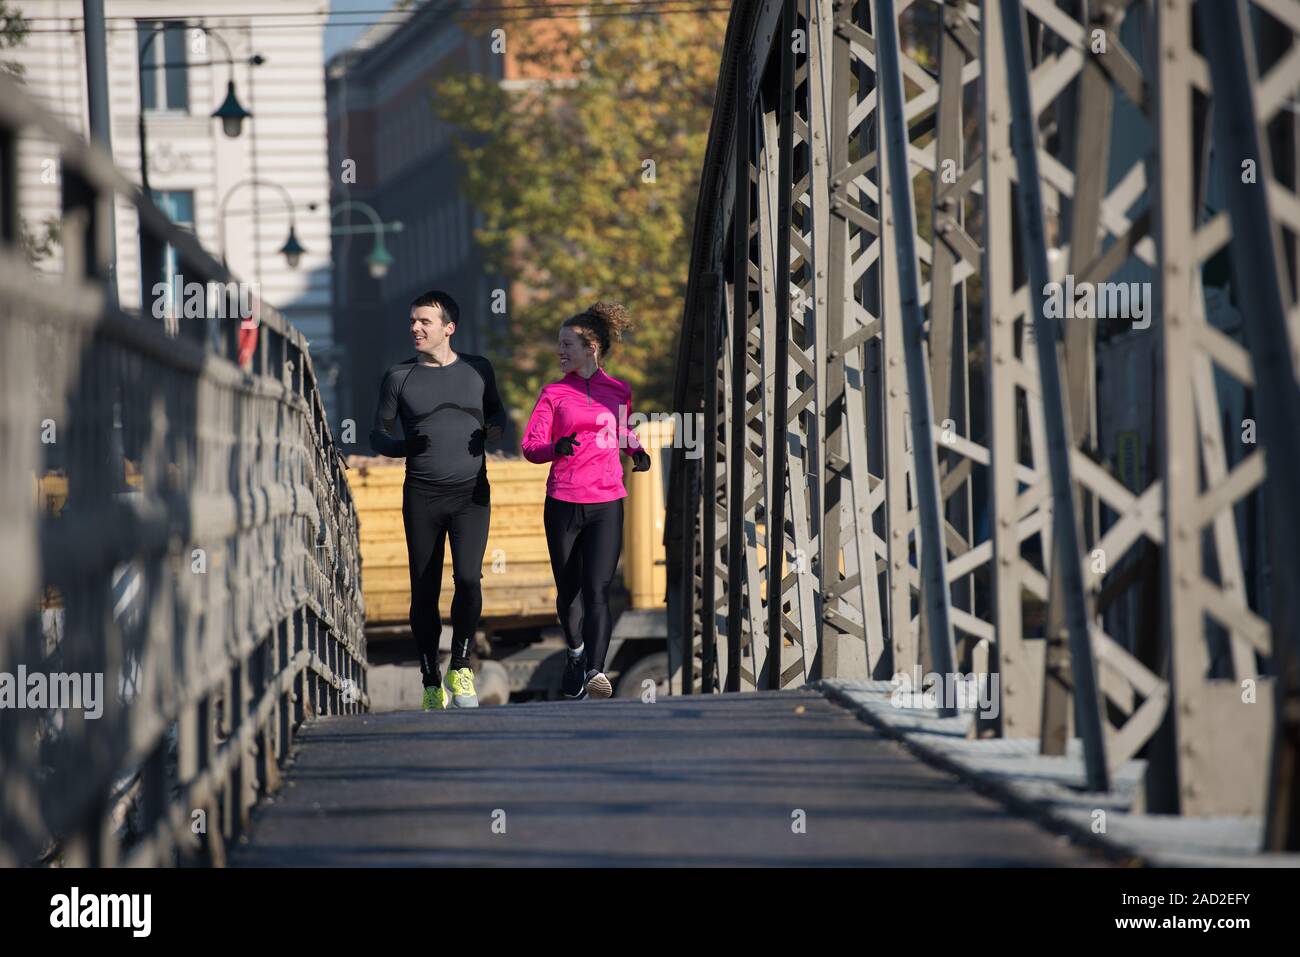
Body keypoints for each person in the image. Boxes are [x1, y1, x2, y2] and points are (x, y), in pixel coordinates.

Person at [370, 290, 507, 711]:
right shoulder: (399, 376)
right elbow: (377, 434)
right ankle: (430, 679)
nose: (415, 328)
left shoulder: (478, 369)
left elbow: (498, 415)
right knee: (424, 590)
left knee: (468, 580)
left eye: (424, 322)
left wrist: (492, 433)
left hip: (471, 495)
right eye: (412, 321)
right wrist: (403, 446)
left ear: (449, 328)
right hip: (422, 496)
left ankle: (461, 665)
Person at [521, 302, 651, 700]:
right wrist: (555, 447)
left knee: (597, 590)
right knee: (569, 593)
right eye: (559, 345)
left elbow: (623, 431)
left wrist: (637, 451)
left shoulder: (618, 390)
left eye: (567, 345)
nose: (560, 352)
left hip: (607, 502)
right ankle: (575, 653)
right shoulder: (554, 393)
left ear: (591, 347)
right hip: (562, 501)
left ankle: (595, 670)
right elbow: (530, 445)